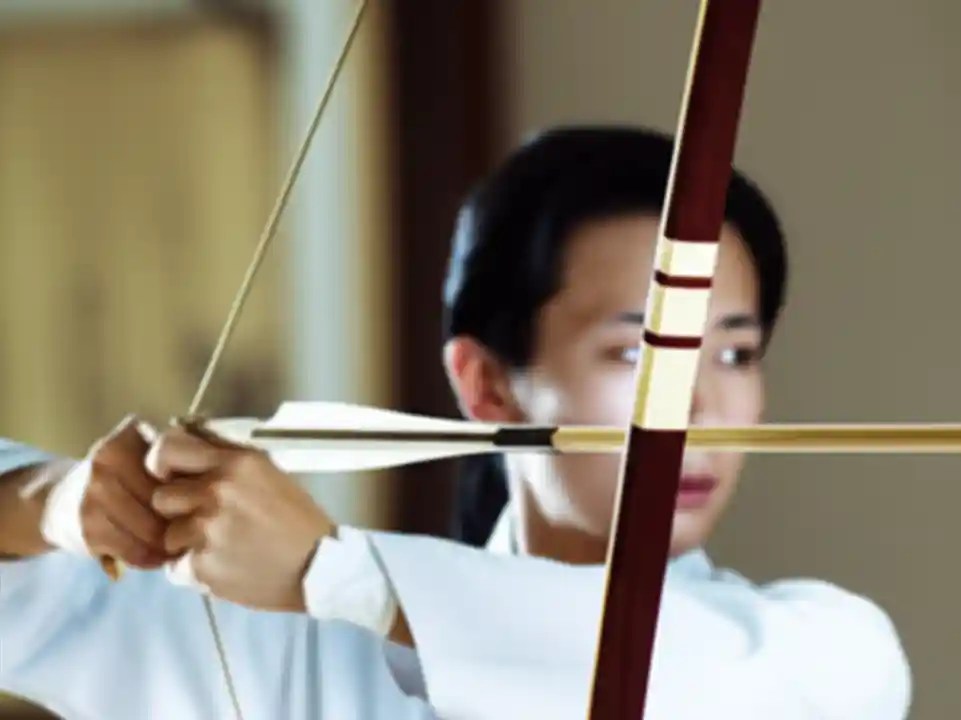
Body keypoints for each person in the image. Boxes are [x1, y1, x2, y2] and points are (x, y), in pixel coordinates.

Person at [0, 126, 912, 719]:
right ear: (486, 385)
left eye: (735, 354)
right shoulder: (292, 652)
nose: (704, 409)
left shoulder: (825, 656)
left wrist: (336, 569)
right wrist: (59, 502)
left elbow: (675, 675)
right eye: (636, 354)